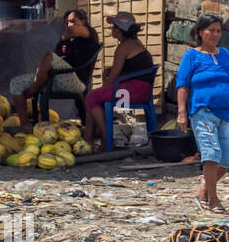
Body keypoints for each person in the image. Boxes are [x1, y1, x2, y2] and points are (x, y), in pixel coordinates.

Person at [175, 13, 229, 214]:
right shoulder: (192, 56)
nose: (215, 34)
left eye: (218, 31)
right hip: (203, 112)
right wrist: (181, 112)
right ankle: (213, 201)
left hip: (227, 114)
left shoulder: (224, 54)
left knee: (227, 160)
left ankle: (203, 191)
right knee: (211, 155)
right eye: (211, 30)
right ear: (200, 32)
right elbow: (182, 85)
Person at [10, 8, 100, 125]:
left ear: (83, 21)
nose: (69, 25)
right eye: (67, 22)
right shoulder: (67, 41)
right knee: (15, 83)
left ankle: (34, 88)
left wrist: (62, 37)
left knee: (49, 56)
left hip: (75, 81)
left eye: (73, 21)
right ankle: (25, 124)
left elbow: (71, 31)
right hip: (54, 77)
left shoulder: (90, 33)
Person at [83, 11, 156, 149]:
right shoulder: (135, 43)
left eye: (114, 27)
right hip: (142, 91)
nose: (112, 30)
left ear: (119, 29)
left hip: (132, 92)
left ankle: (107, 139)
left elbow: (113, 77)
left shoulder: (123, 47)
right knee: (95, 98)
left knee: (91, 98)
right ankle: (95, 140)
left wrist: (105, 84)